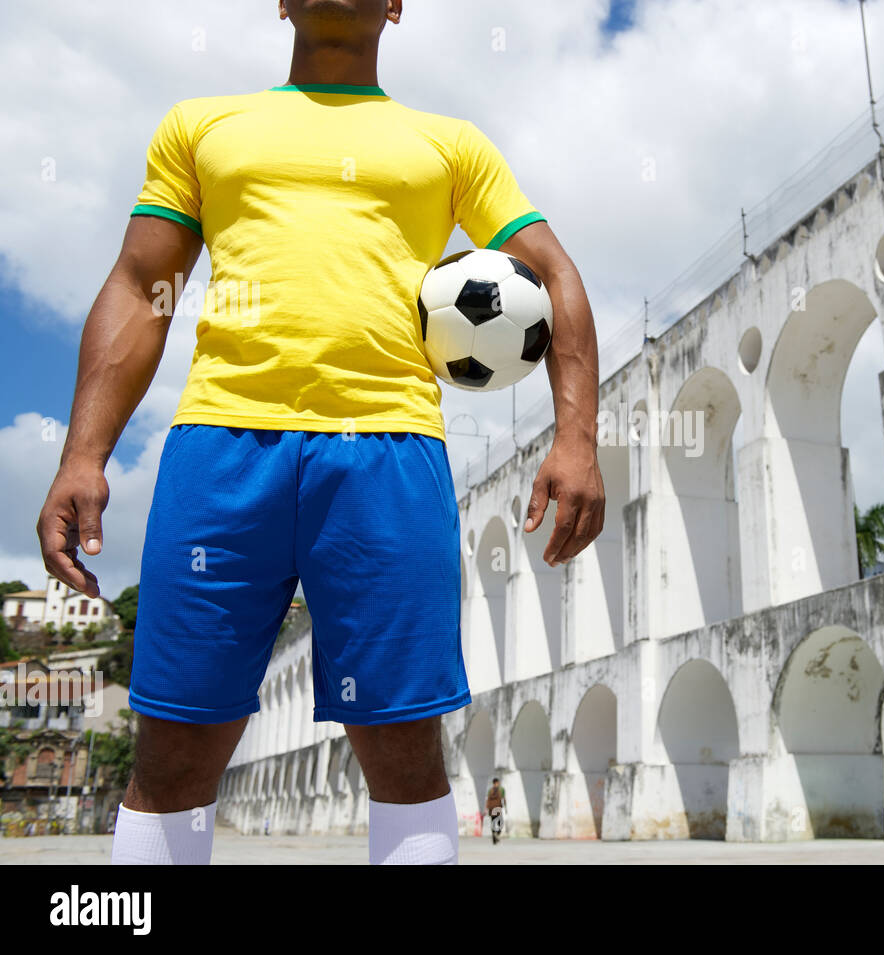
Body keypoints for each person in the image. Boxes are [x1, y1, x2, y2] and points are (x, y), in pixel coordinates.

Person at [36, 0, 604, 866]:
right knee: (173, 755)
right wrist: (83, 453)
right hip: (221, 447)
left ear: (396, 6)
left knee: (407, 752)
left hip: (389, 452)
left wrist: (577, 439)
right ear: (281, 2)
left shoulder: (451, 144)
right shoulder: (203, 125)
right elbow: (140, 283)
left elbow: (555, 275)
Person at [485, 777, 506, 845]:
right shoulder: (501, 789)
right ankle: (496, 833)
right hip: (496, 808)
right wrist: (505, 807)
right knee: (498, 821)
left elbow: (488, 800)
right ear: (496, 783)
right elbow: (503, 798)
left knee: (494, 822)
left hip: (492, 808)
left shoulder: (490, 790)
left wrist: (486, 808)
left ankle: (495, 836)